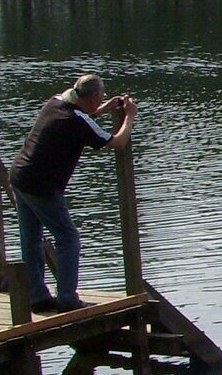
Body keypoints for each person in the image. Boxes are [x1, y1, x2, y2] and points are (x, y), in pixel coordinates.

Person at [8, 72, 136, 313]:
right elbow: (117, 143)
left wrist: (102, 111)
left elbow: (82, 120)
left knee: (32, 239)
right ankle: (67, 299)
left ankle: (36, 297)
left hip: (21, 177)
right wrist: (129, 117)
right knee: (68, 239)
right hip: (43, 186)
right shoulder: (77, 121)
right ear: (93, 96)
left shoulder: (55, 103)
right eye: (101, 97)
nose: (102, 100)